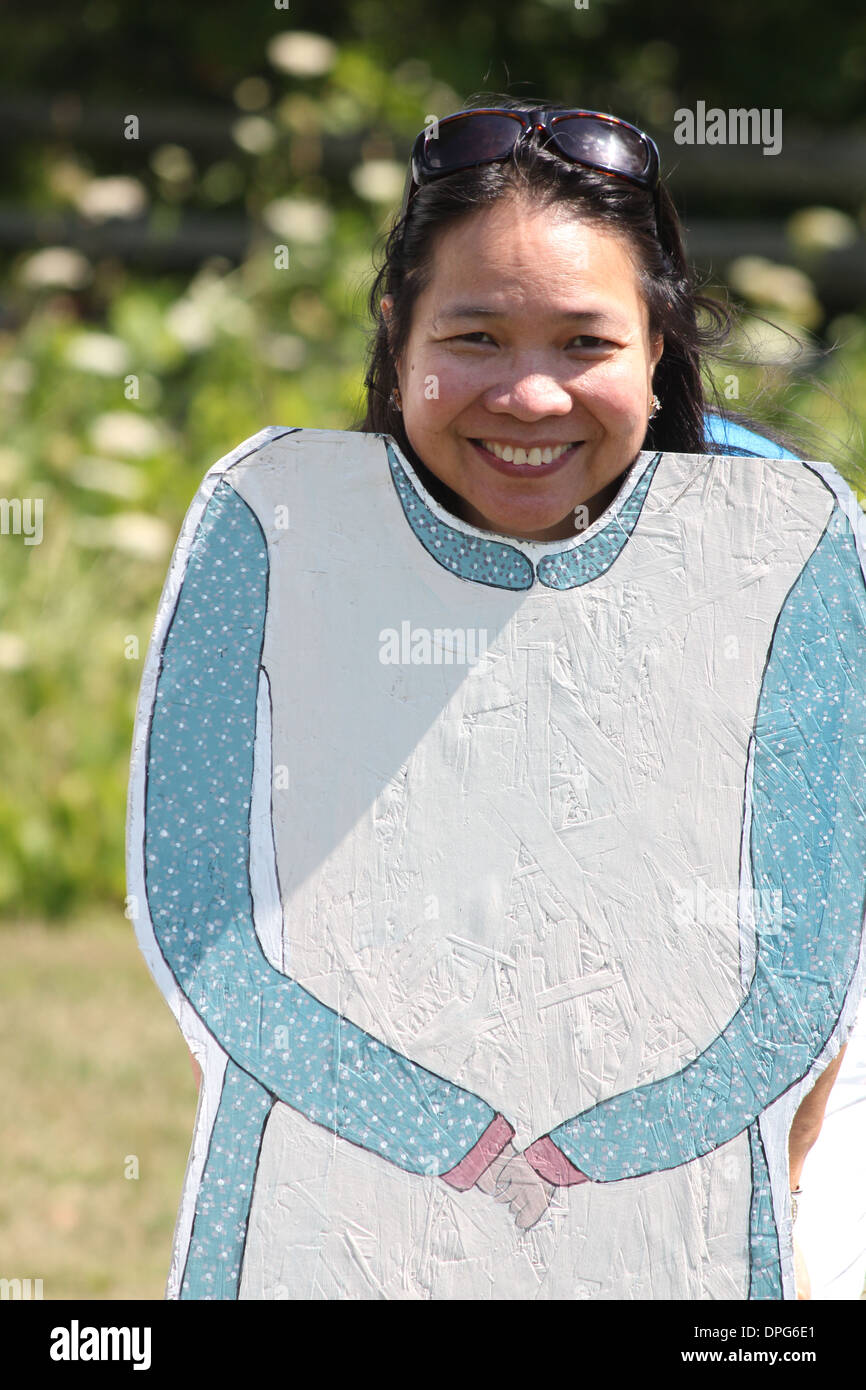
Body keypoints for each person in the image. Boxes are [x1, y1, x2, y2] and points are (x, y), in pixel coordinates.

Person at [128, 98, 866, 1300]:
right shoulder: (270, 536)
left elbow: (804, 970)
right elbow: (206, 924)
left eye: (582, 344)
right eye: (474, 336)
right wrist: (458, 1147)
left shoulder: (780, 544)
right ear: (396, 329)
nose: (528, 397)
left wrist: (659, 1183)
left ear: (659, 342)